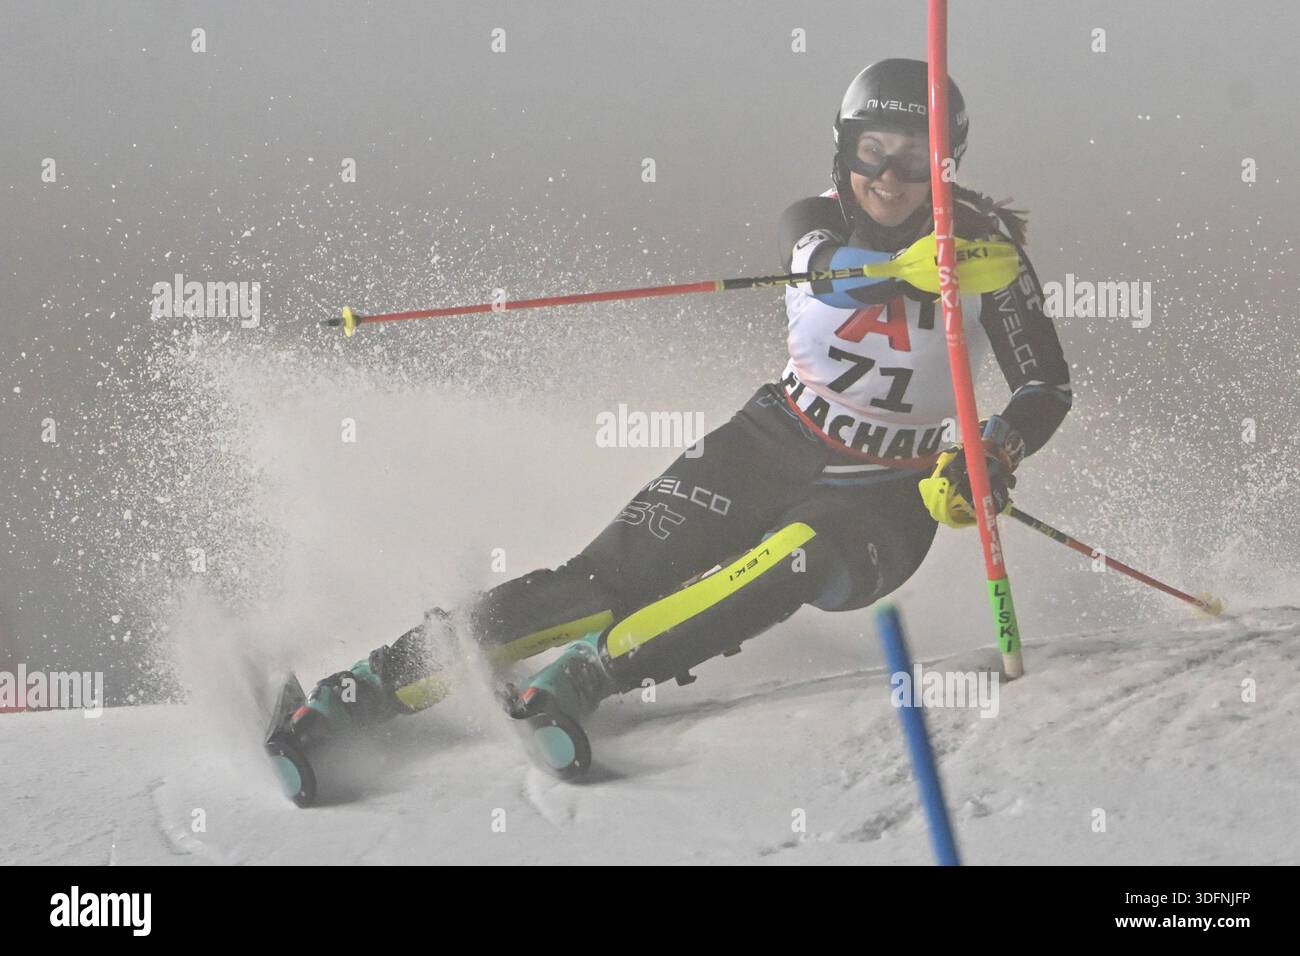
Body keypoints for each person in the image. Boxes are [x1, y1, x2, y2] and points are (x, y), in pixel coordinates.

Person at [285, 58, 1072, 759]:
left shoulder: (990, 255)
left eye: (912, 158)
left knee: (795, 554)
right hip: (774, 438)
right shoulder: (816, 219)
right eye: (872, 151)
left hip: (890, 493)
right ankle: (366, 687)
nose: (889, 177)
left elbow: (1046, 386)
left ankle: (586, 678)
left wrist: (991, 451)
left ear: (946, 161)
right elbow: (823, 269)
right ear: (844, 148)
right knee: (597, 583)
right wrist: (905, 268)